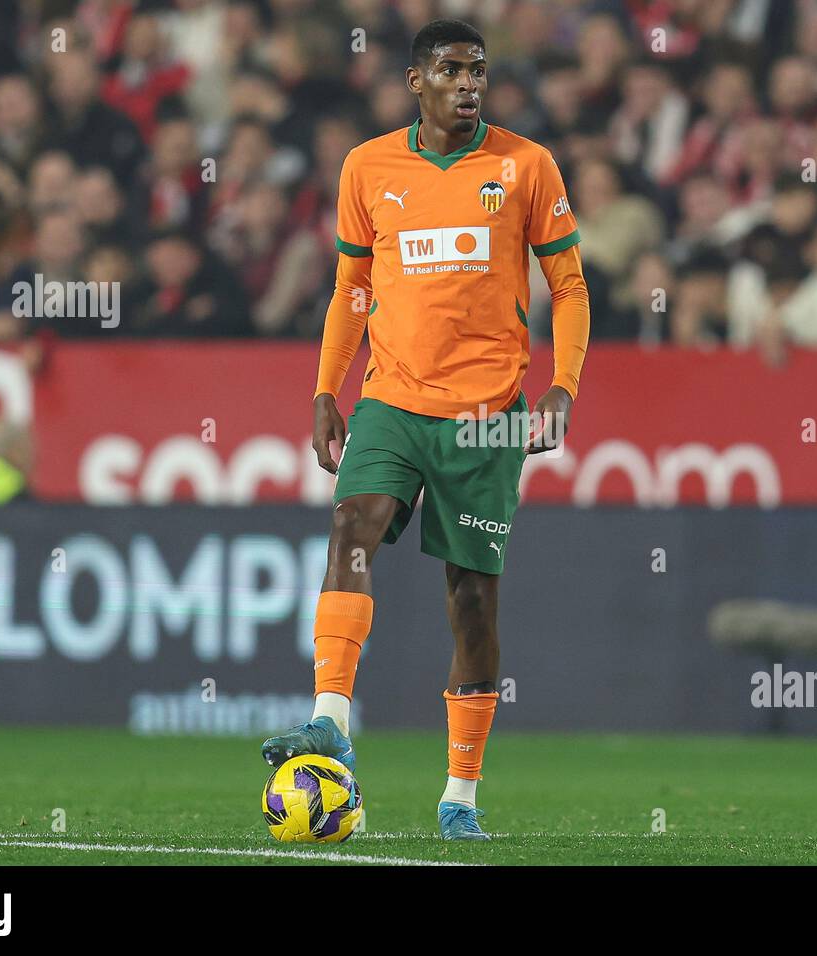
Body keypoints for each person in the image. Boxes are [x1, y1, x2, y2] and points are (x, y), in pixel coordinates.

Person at [260, 19, 590, 841]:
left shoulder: (525, 166)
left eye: (478, 69)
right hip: (391, 401)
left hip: (484, 420)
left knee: (471, 603)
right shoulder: (368, 167)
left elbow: (572, 287)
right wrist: (323, 387)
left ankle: (460, 797)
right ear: (417, 81)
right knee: (349, 526)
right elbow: (350, 288)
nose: (469, 82)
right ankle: (331, 719)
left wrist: (563, 389)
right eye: (451, 70)